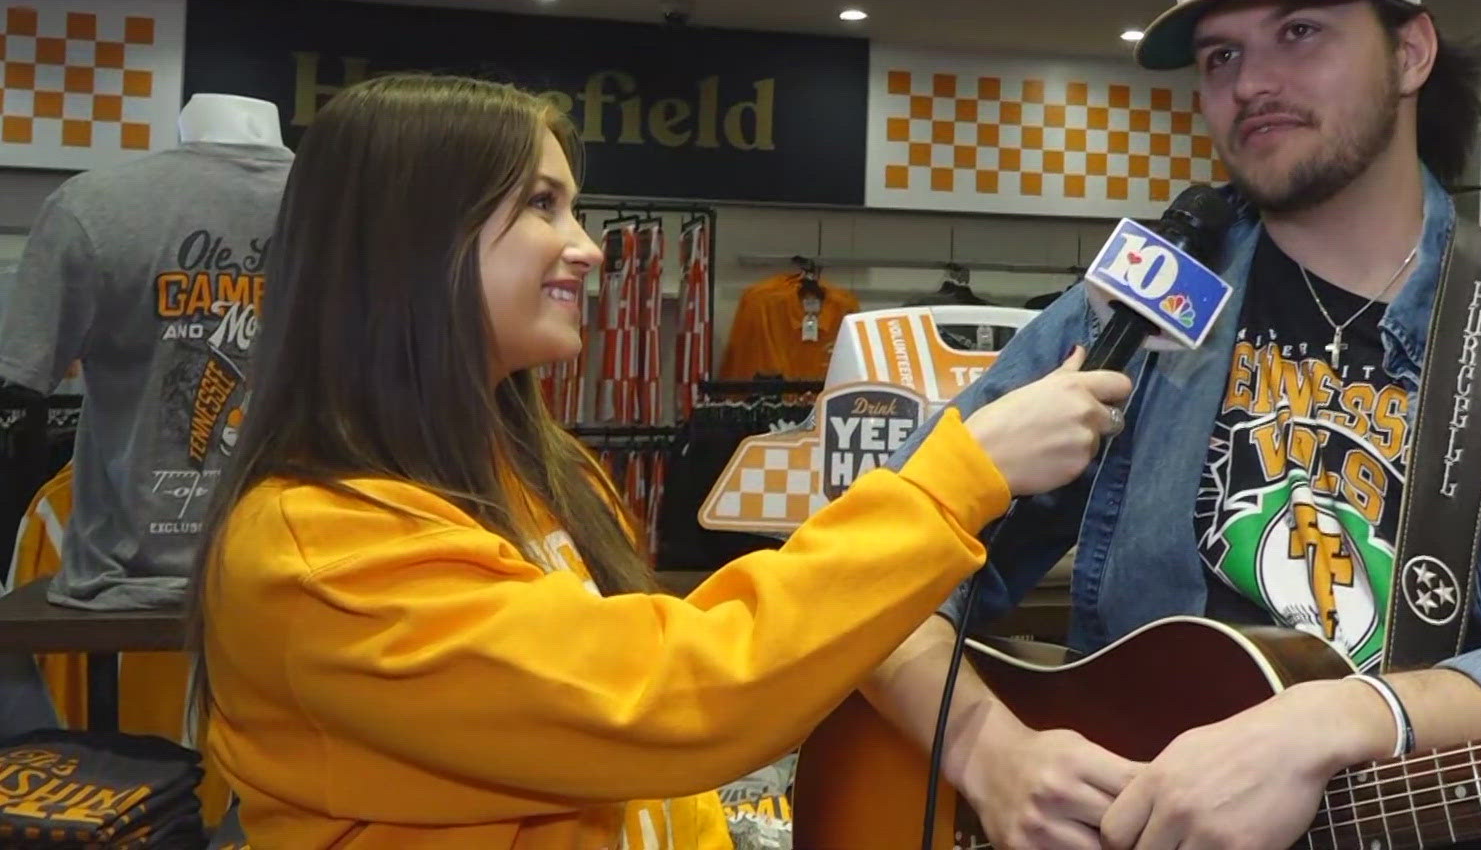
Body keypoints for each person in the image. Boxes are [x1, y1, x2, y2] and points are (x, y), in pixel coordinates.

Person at [866, 0, 1481, 850]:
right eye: (1222, 56)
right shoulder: (1137, 311)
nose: (1252, 81)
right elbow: (868, 570)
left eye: (1300, 31)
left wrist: (1345, 719)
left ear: (1410, 52)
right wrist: (988, 752)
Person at [188, 74, 1134, 849]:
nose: (589, 249)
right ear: (411, 239)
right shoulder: (318, 554)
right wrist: (959, 477)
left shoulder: (536, 468)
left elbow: (643, 749)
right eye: (541, 206)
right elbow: (670, 696)